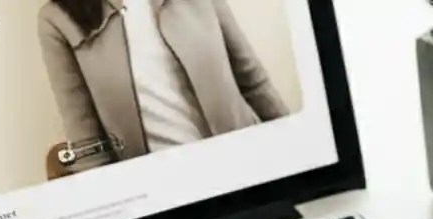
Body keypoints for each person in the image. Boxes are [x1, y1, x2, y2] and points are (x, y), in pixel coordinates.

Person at [37, 0, 289, 172]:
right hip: (162, 200)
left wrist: (297, 153)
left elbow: (253, 82)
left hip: (248, 167)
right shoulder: (56, 20)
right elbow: (88, 148)